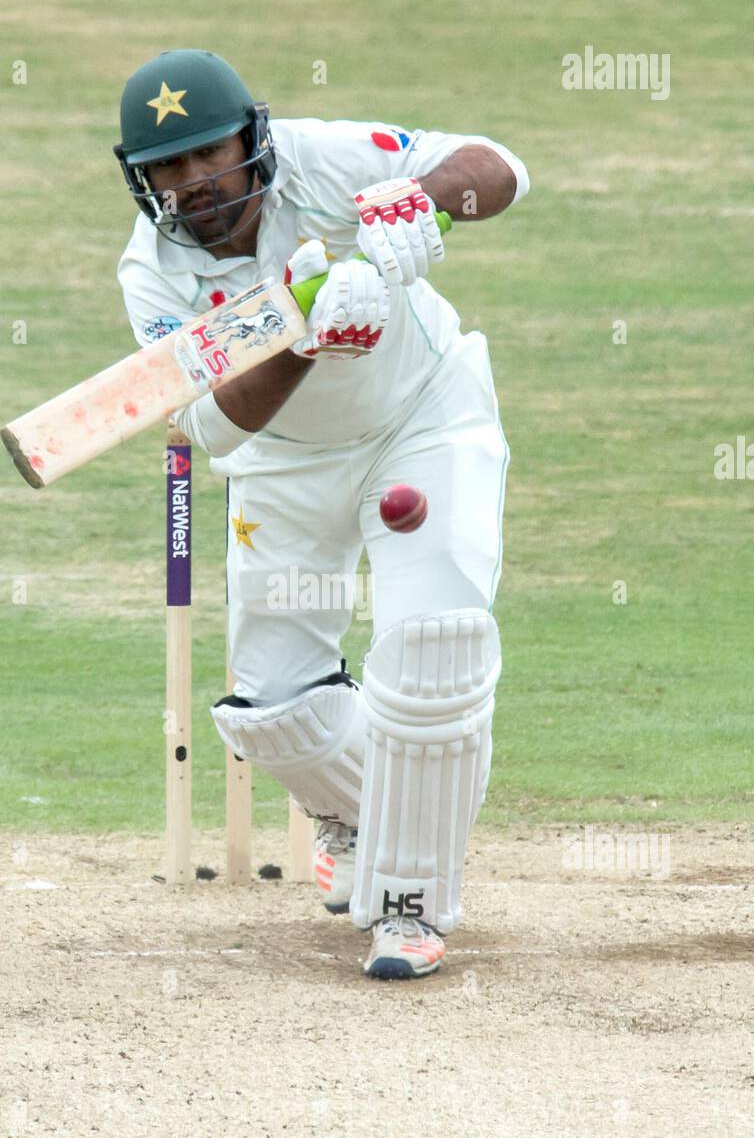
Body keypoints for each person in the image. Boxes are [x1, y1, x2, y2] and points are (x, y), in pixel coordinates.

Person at [115, 49, 529, 979]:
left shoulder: (318, 160)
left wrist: (413, 202)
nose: (193, 184)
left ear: (251, 139)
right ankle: (357, 817)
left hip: (424, 416)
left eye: (207, 154)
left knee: (435, 646)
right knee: (273, 714)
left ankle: (409, 903)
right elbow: (213, 426)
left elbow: (498, 166)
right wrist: (303, 334)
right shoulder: (154, 277)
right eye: (168, 169)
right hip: (281, 464)